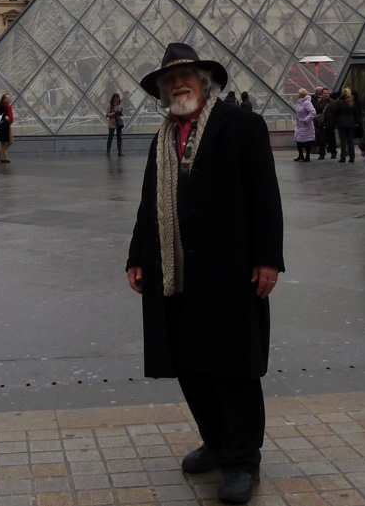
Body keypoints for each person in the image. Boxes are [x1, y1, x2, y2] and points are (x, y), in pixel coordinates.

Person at [126, 43, 283, 504]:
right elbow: (146, 203)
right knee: (188, 362)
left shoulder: (242, 126)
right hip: (174, 269)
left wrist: (268, 258)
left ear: (204, 82)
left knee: (233, 366)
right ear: (161, 90)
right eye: (170, 80)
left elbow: (265, 196)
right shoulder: (162, 138)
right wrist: (137, 256)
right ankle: (215, 441)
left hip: (229, 267)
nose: (179, 85)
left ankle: (242, 459)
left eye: (187, 76)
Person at [331, 88, 356, 163]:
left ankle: (343, 157)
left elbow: (334, 111)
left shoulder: (339, 102)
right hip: (351, 122)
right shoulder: (352, 102)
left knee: (343, 140)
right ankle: (352, 157)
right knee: (350, 140)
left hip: (341, 122)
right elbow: (355, 112)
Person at [292, 88, 315, 161]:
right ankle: (301, 155)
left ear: (302, 94)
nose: (297, 95)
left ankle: (307, 156)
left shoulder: (307, 103)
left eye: (299, 93)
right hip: (300, 125)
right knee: (298, 140)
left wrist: (306, 120)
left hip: (306, 125)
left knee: (307, 140)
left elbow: (313, 112)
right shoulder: (300, 102)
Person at [0, 93, 14, 163]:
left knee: (10, 141)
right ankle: (3, 158)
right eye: (8, 98)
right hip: (2, 127)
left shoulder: (7, 106)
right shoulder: (0, 105)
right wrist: (4, 117)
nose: (9, 99)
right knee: (4, 142)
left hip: (7, 125)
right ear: (4, 99)